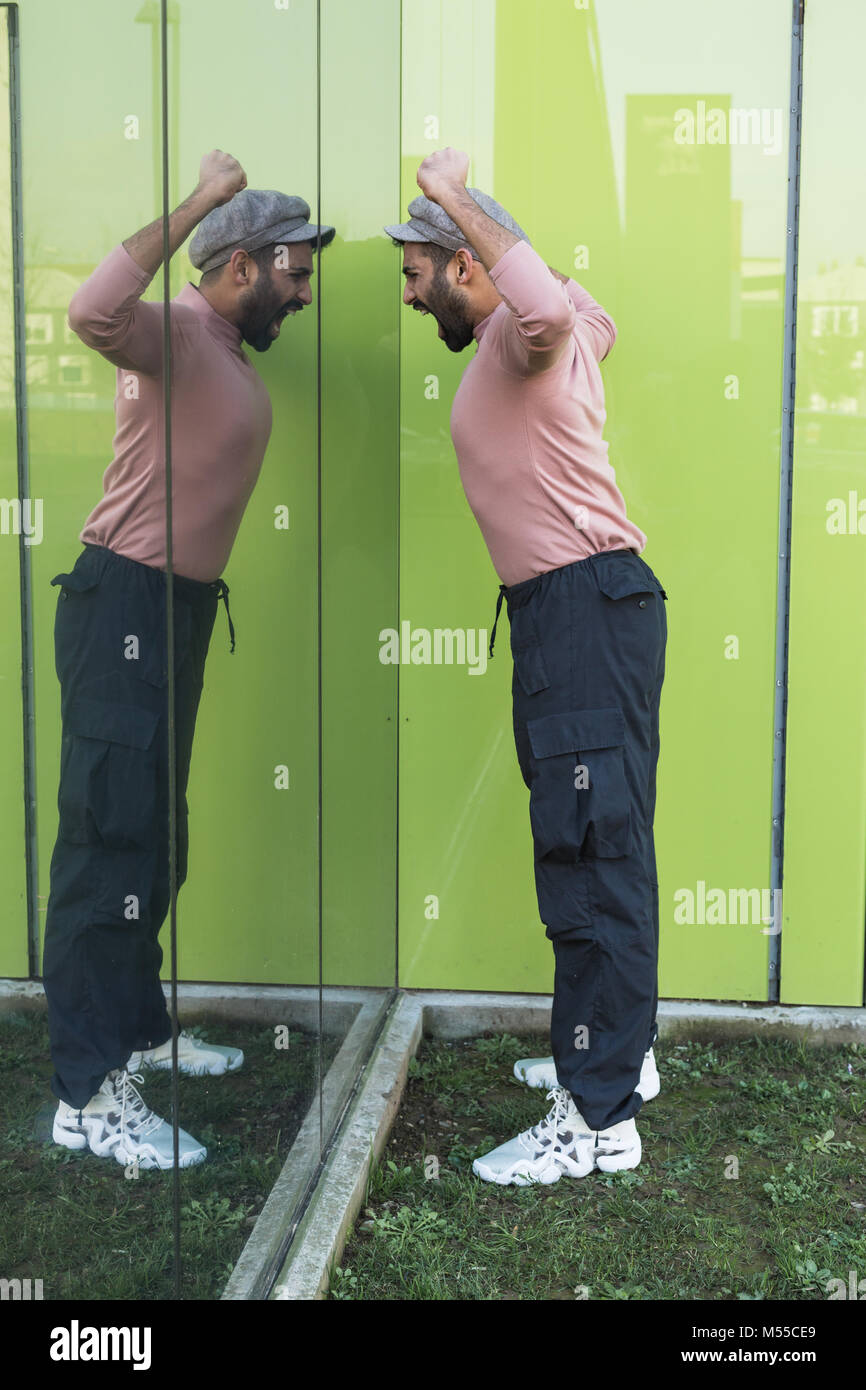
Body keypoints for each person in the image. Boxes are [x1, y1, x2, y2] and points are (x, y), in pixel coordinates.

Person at [44, 149, 335, 1171]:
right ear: (242, 262)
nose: (303, 295)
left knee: (152, 837)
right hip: (124, 600)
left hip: (170, 611)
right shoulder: (173, 328)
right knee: (109, 843)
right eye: (295, 273)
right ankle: (87, 1096)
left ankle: (135, 1031)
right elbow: (88, 307)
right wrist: (202, 199)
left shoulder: (216, 347)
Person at [384, 147, 667, 1186]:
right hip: (587, 614)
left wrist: (456, 196)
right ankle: (613, 1059)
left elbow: (549, 307)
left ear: (467, 263)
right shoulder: (537, 341)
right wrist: (483, 231)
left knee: (587, 856)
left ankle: (592, 1117)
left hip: (580, 611)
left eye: (416, 272)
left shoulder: (517, 334)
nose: (410, 296)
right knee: (605, 845)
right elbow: (592, 314)